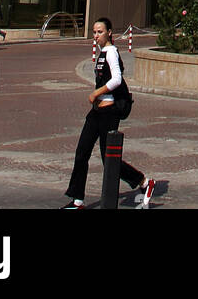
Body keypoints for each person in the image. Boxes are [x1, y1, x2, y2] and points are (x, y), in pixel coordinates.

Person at [63, 18, 153, 209]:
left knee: (108, 159)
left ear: (109, 33)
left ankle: (143, 182)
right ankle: (77, 200)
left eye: (100, 32)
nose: (96, 36)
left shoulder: (111, 52)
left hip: (108, 113)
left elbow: (117, 80)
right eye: (94, 32)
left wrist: (96, 92)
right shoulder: (102, 52)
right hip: (96, 112)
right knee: (82, 153)